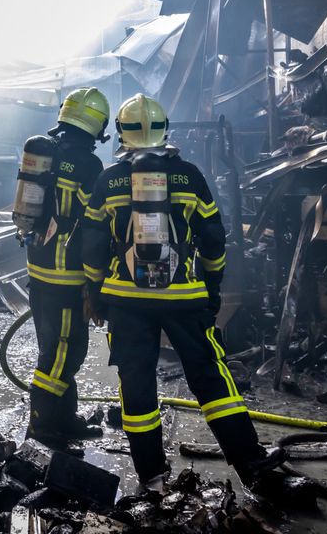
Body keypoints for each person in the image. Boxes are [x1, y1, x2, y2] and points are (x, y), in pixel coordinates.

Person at [81, 93, 285, 491]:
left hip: (126, 301)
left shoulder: (108, 180)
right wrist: (210, 287)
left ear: (121, 133)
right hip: (183, 299)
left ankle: (152, 477)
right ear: (163, 129)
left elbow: (90, 246)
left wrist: (96, 290)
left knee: (136, 384)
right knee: (211, 379)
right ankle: (252, 468)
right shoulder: (189, 175)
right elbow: (213, 240)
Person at [20, 87, 110, 446]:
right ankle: (41, 426)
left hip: (39, 271)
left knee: (58, 348)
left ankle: (66, 420)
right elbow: (94, 225)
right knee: (63, 353)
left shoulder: (46, 154)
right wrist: (95, 280)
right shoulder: (89, 165)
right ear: (97, 124)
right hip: (67, 276)